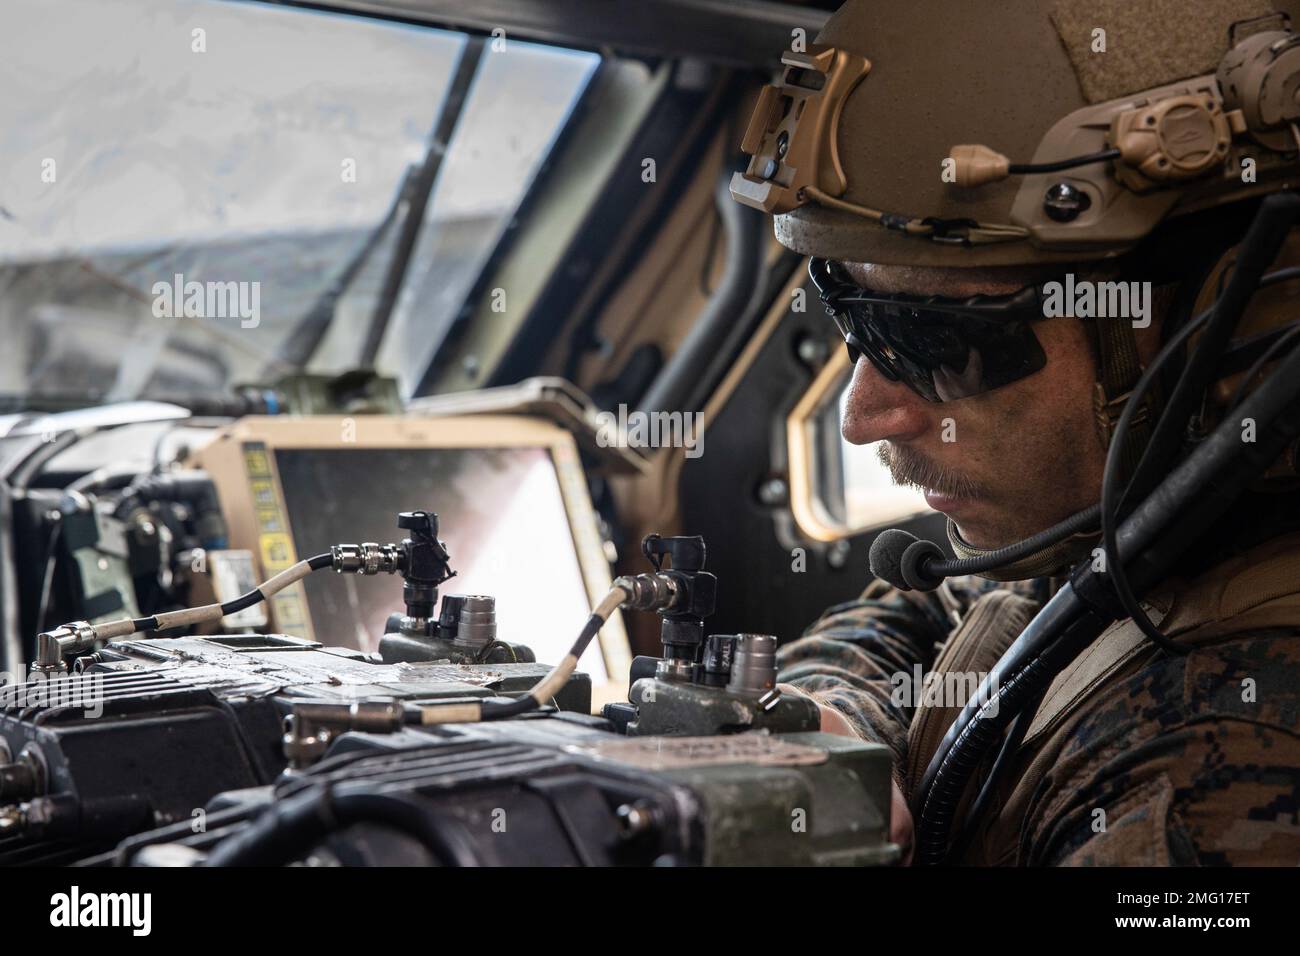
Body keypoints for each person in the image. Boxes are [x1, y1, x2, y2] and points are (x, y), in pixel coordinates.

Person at [730, 0, 1300, 864]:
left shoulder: (1219, 779)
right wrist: (824, 720)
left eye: (940, 338)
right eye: (855, 317)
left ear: (1235, 308)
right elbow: (936, 613)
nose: (863, 415)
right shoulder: (1128, 525)